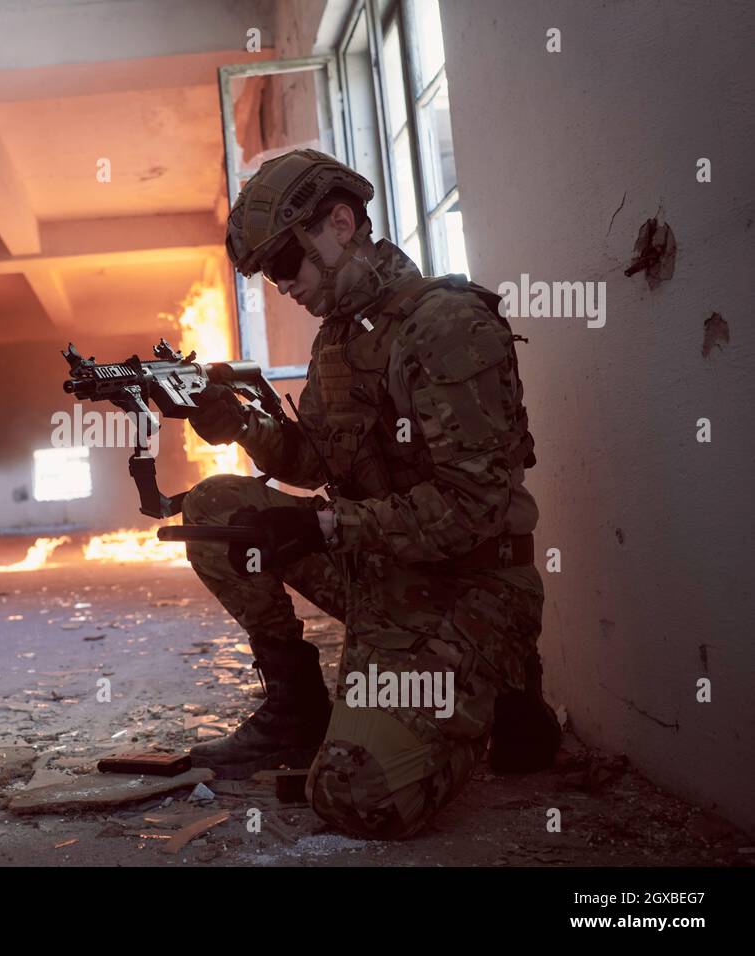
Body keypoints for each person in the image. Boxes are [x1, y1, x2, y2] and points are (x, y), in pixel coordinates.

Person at [183, 148, 559, 839]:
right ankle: (298, 707)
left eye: (286, 264)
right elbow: (317, 461)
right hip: (384, 571)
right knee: (216, 513)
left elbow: (471, 510)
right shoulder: (339, 340)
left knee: (357, 796)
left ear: (341, 223)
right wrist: (240, 423)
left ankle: (501, 689)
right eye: (269, 274)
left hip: (465, 588)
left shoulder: (445, 325)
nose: (282, 285)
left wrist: (326, 528)